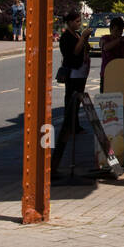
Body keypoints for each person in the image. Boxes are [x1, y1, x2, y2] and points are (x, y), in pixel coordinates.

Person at [51, 10, 92, 174]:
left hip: (81, 70)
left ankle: (75, 124)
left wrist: (84, 40)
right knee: (72, 96)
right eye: (76, 21)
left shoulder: (76, 34)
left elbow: (83, 49)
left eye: (79, 21)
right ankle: (70, 123)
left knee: (78, 96)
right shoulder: (67, 37)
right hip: (73, 71)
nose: (78, 24)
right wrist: (82, 38)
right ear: (69, 22)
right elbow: (74, 52)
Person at [98, 16, 124, 91]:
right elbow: (105, 47)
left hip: (119, 73)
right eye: (116, 30)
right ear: (111, 29)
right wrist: (119, 40)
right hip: (106, 74)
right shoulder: (105, 38)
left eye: (120, 31)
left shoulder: (122, 42)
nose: (118, 33)